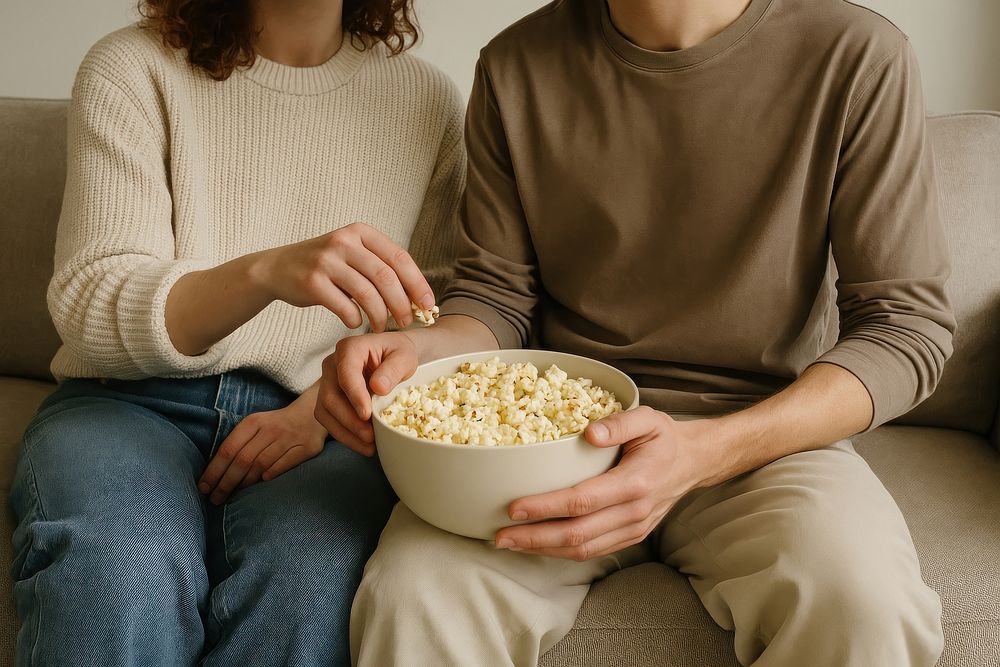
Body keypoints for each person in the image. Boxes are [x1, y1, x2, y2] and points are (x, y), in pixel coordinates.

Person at [316, 0, 955, 665]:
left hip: (764, 441)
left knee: (864, 605)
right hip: (550, 443)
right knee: (413, 595)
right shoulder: (515, 66)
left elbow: (904, 326)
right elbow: (495, 297)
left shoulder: (857, 55)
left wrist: (704, 452)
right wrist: (415, 354)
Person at [9, 0, 464, 664]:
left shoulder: (426, 102)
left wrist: (322, 409)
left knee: (310, 581)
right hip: (126, 405)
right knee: (120, 560)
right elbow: (89, 303)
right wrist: (266, 272)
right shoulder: (131, 66)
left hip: (325, 426)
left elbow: (435, 318)